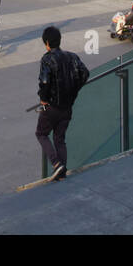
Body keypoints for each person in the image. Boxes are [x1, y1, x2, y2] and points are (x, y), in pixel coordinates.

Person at [35, 25, 89, 182]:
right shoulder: (72, 57)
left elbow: (44, 81)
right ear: (59, 41)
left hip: (52, 106)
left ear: (46, 43)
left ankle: (56, 163)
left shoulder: (47, 59)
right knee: (60, 138)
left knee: (41, 133)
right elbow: (85, 73)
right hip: (67, 107)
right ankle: (62, 172)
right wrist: (74, 89)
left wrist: (43, 99)